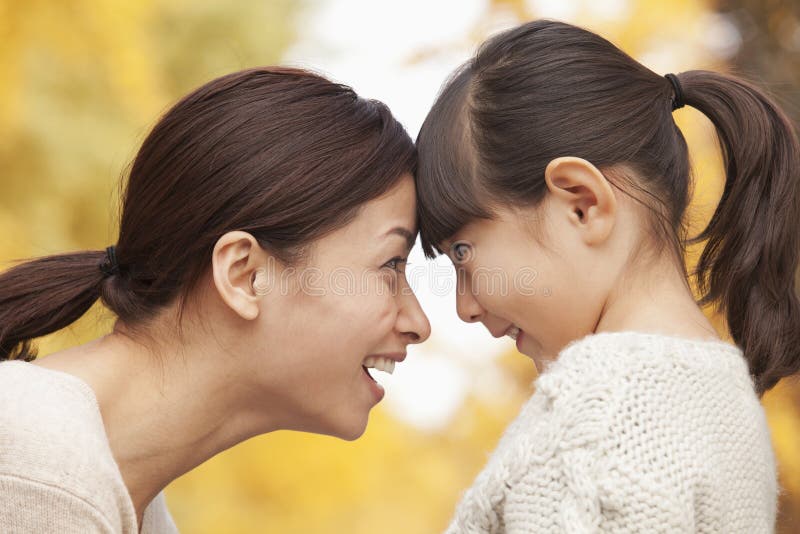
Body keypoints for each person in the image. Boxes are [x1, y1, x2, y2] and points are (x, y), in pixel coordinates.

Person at [0, 66, 430, 533]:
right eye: (390, 265)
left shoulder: (114, 495)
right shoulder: (37, 468)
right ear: (244, 274)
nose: (418, 322)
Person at [415, 19, 799, 532]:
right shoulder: (727, 404)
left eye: (462, 251)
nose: (464, 307)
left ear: (581, 205)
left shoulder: (595, 427)